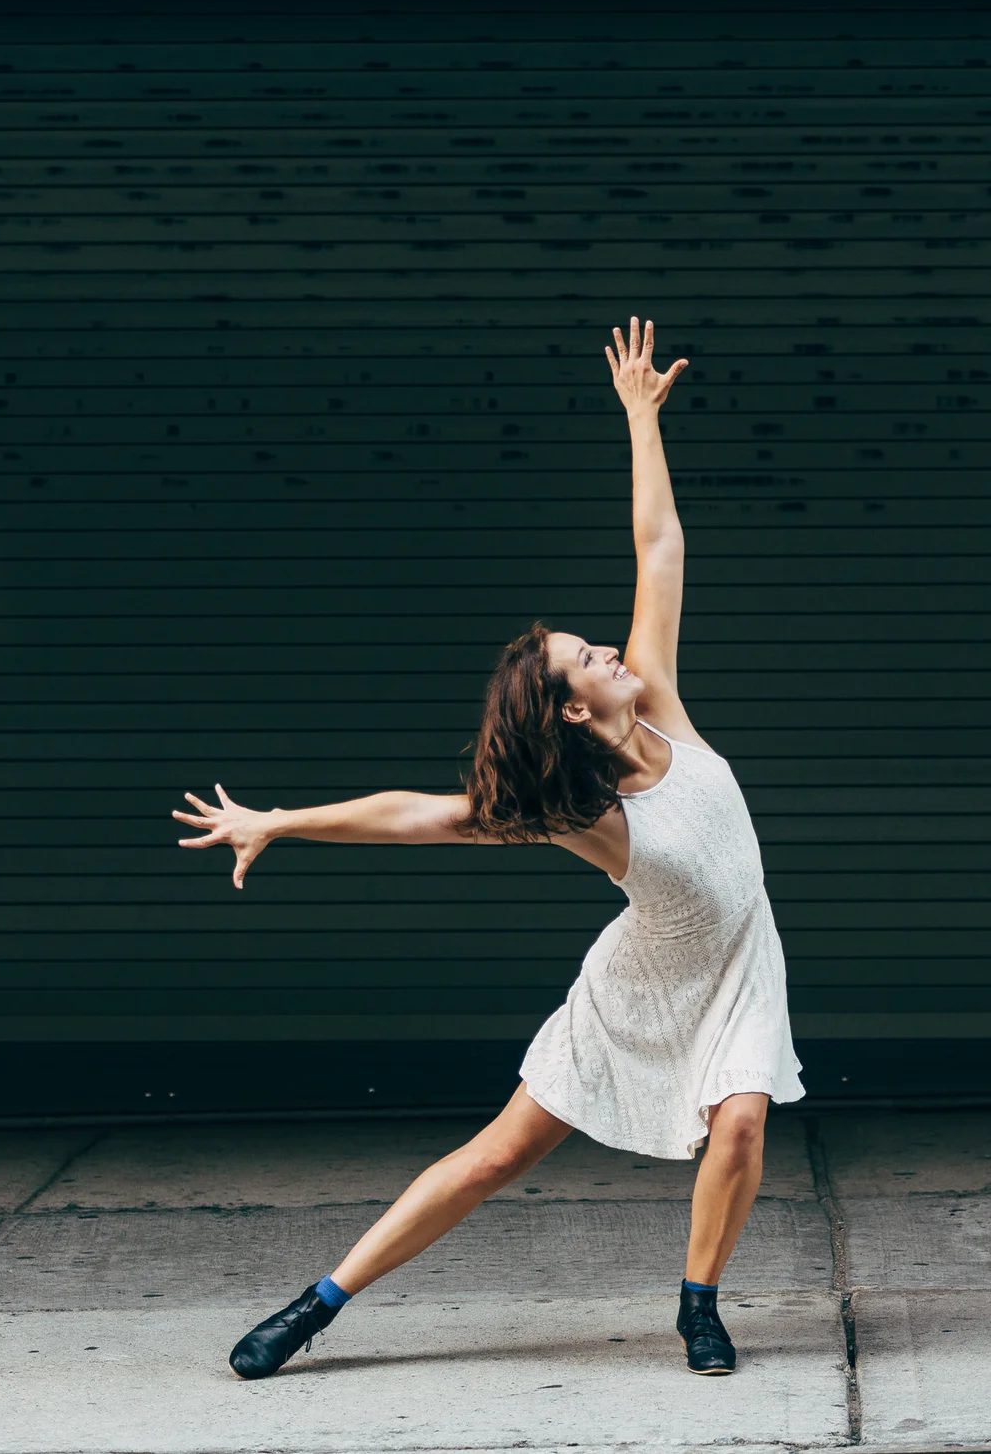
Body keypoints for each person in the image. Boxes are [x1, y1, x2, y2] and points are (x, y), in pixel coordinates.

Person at [173, 316, 805, 1381]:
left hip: (738, 974)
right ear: (566, 712)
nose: (609, 648)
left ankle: (697, 1303)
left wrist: (641, 419)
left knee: (738, 1123)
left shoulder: (666, 711)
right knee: (496, 1156)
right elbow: (414, 813)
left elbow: (658, 546)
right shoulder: (583, 814)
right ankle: (317, 1304)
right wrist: (280, 820)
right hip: (638, 989)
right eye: (585, 658)